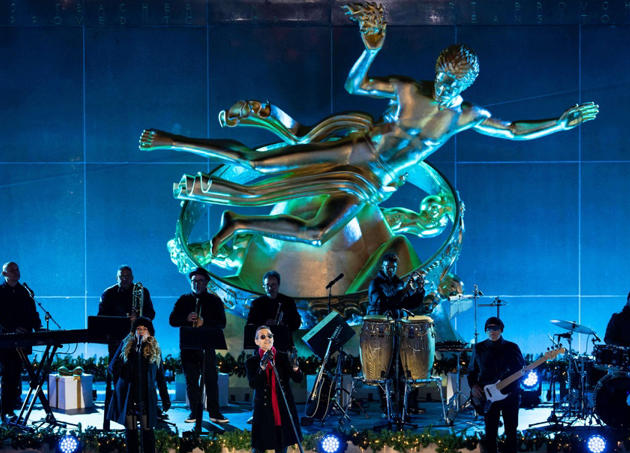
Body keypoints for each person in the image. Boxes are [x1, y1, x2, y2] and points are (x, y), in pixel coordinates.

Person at [139, 3, 598, 260]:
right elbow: (355, 84)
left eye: (451, 82)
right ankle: (173, 140)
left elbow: (515, 131)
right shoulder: (409, 89)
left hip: (372, 182)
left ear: (464, 84)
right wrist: (370, 47)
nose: (441, 84)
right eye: (440, 75)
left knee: (319, 233)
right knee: (259, 161)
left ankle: (237, 223)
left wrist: (559, 122)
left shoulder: (467, 116)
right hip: (354, 152)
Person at [106, 317, 171, 453]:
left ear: (149, 332)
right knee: (132, 435)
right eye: (139, 328)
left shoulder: (155, 349)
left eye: (144, 329)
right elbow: (112, 368)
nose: (141, 331)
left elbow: (160, 376)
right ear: (134, 332)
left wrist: (165, 398)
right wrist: (127, 349)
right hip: (130, 399)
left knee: (148, 435)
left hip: (146, 399)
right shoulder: (127, 347)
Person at [244, 325, 303, 453]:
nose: (266, 339)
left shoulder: (283, 358)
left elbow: (298, 379)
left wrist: (294, 367)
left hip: (282, 411)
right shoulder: (252, 362)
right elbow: (254, 384)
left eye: (269, 336)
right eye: (262, 337)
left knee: (281, 452)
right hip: (263, 412)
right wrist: (262, 367)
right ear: (256, 341)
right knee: (258, 452)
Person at [367, 252, 425, 417]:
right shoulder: (375, 284)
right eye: (388, 267)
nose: (391, 270)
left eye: (393, 267)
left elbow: (409, 303)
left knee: (403, 366)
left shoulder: (399, 282)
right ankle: (386, 407)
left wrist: (419, 291)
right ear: (383, 266)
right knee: (384, 368)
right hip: (380, 332)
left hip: (398, 329)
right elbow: (385, 303)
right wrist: (405, 290)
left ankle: (405, 405)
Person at [98, 265, 156, 430]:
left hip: (139, 342)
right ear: (116, 278)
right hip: (118, 342)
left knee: (142, 376)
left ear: (132, 277)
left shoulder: (142, 292)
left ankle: (142, 409)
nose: (124, 279)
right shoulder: (108, 294)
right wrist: (124, 319)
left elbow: (151, 314)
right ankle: (123, 412)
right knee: (121, 377)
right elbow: (101, 317)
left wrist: (139, 318)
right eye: (121, 276)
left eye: (127, 276)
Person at [169, 266, 229, 424]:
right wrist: (186, 318)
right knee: (191, 381)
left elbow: (222, 323)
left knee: (211, 379)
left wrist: (205, 322)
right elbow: (172, 320)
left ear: (206, 283)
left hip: (207, 346)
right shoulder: (184, 300)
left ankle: (215, 413)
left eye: (200, 281)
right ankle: (194, 413)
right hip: (188, 346)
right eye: (194, 281)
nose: (196, 284)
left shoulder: (215, 301)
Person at [468, 316, 525, 453]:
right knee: (490, 433)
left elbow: (521, 371)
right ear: (486, 331)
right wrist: (474, 386)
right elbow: (471, 371)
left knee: (511, 433)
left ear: (501, 330)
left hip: (510, 396)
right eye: (489, 329)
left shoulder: (512, 347)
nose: (492, 332)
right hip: (489, 397)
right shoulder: (478, 348)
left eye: (495, 328)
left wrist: (511, 387)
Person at [0, 261, 42, 423]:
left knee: (16, 375)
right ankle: (6, 412)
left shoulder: (24, 291)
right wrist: (14, 328)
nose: (16, 272)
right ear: (4, 274)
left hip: (22, 340)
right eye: (12, 270)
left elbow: (32, 312)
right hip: (5, 341)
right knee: (7, 376)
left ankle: (14, 410)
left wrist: (37, 327)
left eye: (17, 269)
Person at [246, 270, 302, 350]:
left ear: (278, 285)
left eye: (273, 285)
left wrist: (283, 324)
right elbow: (250, 325)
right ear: (263, 286)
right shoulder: (256, 303)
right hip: (263, 346)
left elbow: (296, 323)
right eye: (267, 285)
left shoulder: (288, 302)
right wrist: (264, 324)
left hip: (283, 344)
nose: (270, 288)